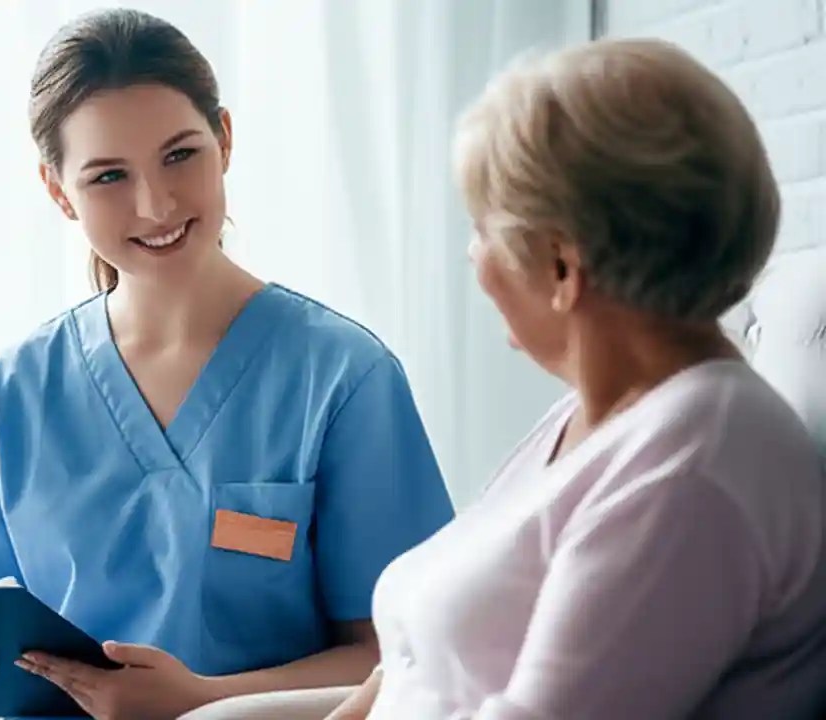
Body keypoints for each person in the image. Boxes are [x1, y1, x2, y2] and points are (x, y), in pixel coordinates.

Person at [185, 38, 826, 720]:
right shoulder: (603, 412)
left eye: (482, 228)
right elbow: (416, 657)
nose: (472, 256)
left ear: (559, 267)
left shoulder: (697, 468)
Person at [0, 8, 454, 720]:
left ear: (225, 140)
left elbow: (408, 650)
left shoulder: (343, 378)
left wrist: (205, 703)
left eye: (180, 155)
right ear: (58, 190)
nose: (155, 205)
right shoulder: (16, 393)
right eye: (108, 176)